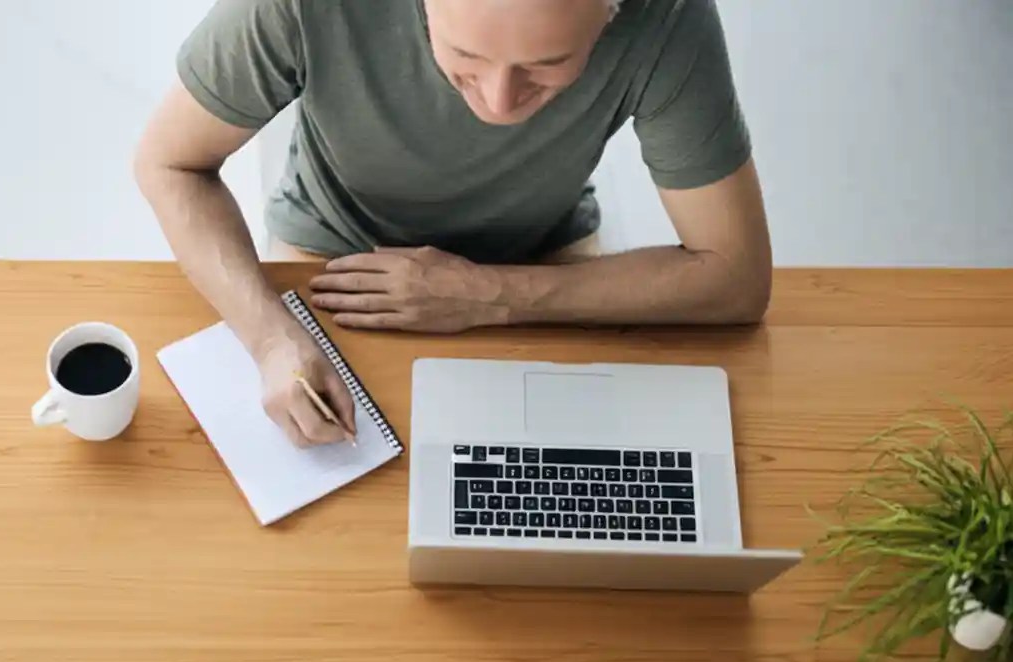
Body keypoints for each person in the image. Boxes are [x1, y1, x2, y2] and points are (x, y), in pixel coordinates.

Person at [134, 0, 772, 448]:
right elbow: (170, 163)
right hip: (334, 253)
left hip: (544, 259)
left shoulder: (668, 16)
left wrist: (487, 293)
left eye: (547, 65)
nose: (498, 101)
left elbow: (737, 277)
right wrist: (273, 341)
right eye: (466, 54)